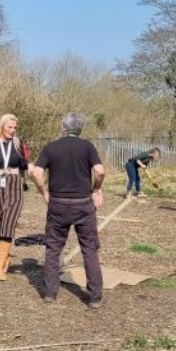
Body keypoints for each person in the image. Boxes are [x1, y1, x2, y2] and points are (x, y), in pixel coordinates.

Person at [31, 113, 106, 307]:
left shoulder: (51, 147)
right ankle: (94, 297)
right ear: (79, 129)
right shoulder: (87, 147)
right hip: (83, 204)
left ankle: (50, 292)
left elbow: (37, 173)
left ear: (62, 128)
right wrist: (96, 189)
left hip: (58, 203)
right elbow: (100, 171)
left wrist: (44, 192)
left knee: (53, 248)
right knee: (89, 249)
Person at [0, 113, 27, 281]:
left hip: (15, 185)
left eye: (15, 127)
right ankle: (5, 256)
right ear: (2, 127)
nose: (13, 130)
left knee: (9, 222)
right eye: (10, 127)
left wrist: (25, 156)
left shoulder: (17, 143)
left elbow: (23, 165)